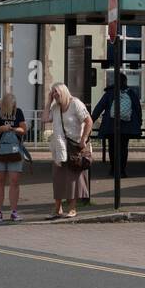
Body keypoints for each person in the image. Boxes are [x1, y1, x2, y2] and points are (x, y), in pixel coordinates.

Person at [46, 82, 92, 219]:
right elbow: (44, 119)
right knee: (58, 177)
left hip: (74, 145)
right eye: (52, 92)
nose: (54, 95)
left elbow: (88, 120)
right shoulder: (55, 107)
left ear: (63, 91)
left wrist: (83, 139)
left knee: (72, 177)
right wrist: (48, 101)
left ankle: (72, 208)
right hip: (59, 146)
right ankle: (57, 208)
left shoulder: (75, 104)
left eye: (56, 92)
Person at [91, 72, 141, 178]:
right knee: (123, 148)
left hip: (111, 126)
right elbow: (137, 108)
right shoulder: (131, 93)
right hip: (127, 127)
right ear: (125, 81)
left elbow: (99, 107)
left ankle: (113, 169)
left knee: (112, 148)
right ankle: (122, 170)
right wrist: (139, 122)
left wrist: (91, 120)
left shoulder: (109, 93)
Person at [0, 92, 28, 223]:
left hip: (15, 150)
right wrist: (2, 128)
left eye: (14, 104)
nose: (13, 106)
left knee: (14, 181)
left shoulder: (19, 112)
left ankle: (14, 212)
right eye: (11, 104)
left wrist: (14, 129)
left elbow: (24, 130)